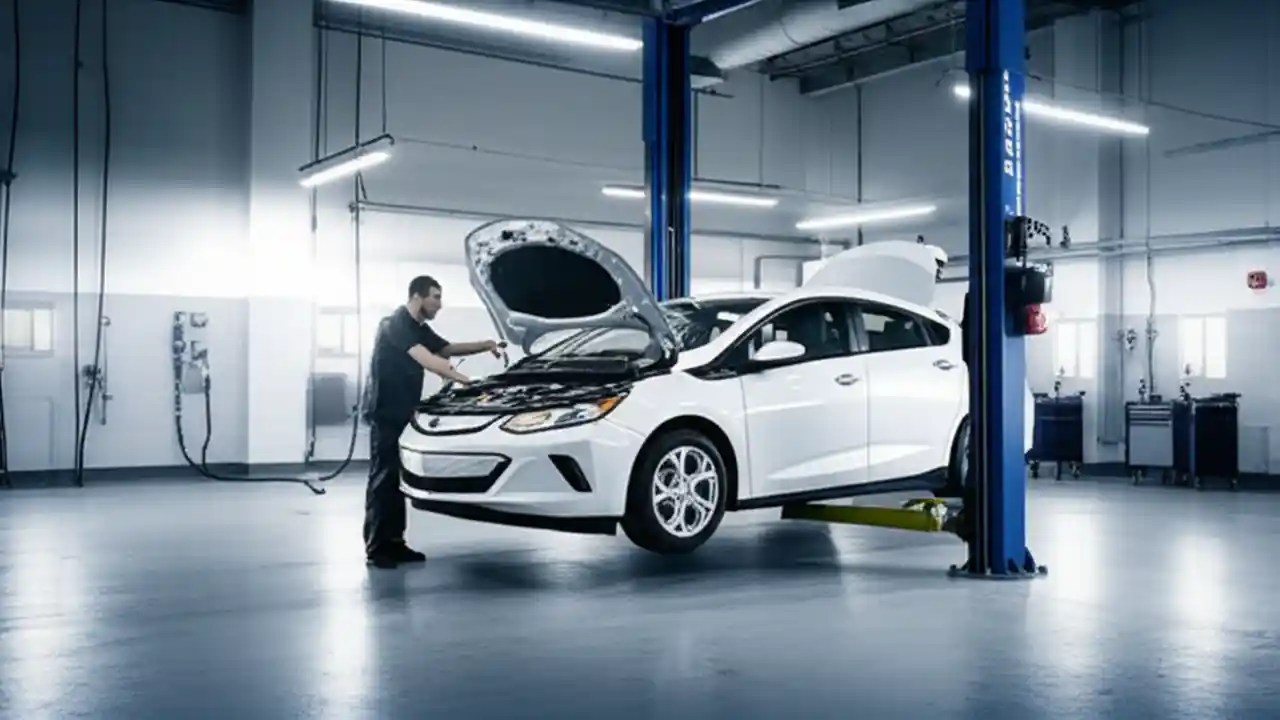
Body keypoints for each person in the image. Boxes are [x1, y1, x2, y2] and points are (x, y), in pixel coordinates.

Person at [362, 275, 501, 569]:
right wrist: (467, 381)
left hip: (403, 412)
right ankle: (377, 548)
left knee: (396, 481)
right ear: (417, 296)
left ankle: (395, 543)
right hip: (386, 413)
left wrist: (485, 344)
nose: (439, 303)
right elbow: (428, 359)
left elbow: (447, 349)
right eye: (435, 297)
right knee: (383, 480)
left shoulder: (417, 328)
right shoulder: (396, 323)